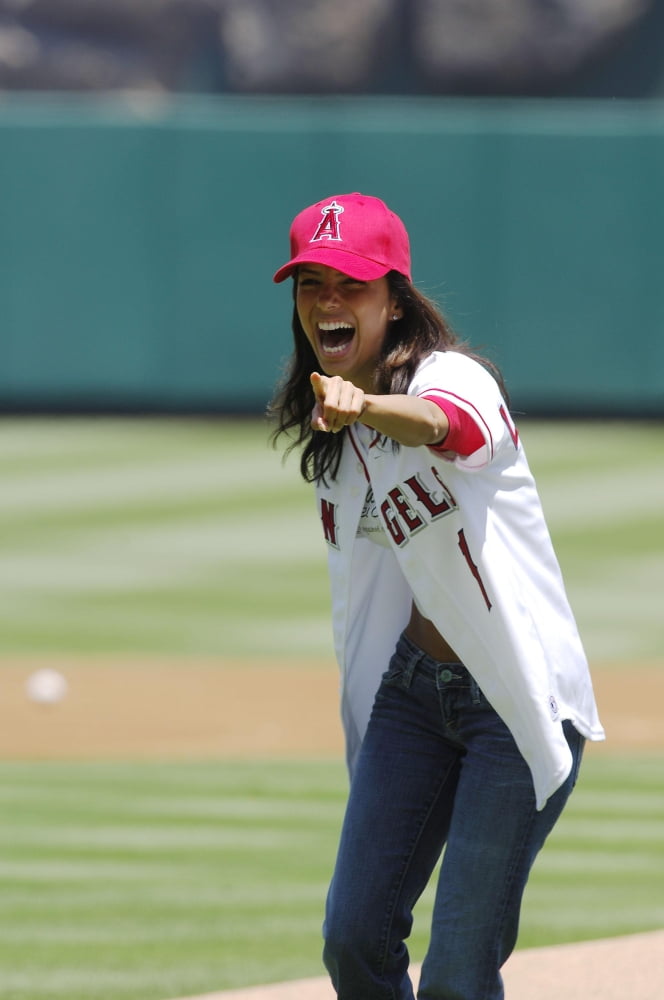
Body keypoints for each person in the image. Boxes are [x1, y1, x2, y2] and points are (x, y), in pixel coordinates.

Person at [270, 192, 605, 1000]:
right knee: (353, 940)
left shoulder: (449, 375)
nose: (328, 302)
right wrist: (351, 412)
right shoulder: (336, 435)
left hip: (514, 698)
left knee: (457, 976)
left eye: (350, 283)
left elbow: (452, 426)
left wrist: (371, 404)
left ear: (395, 297)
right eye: (311, 283)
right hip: (413, 699)